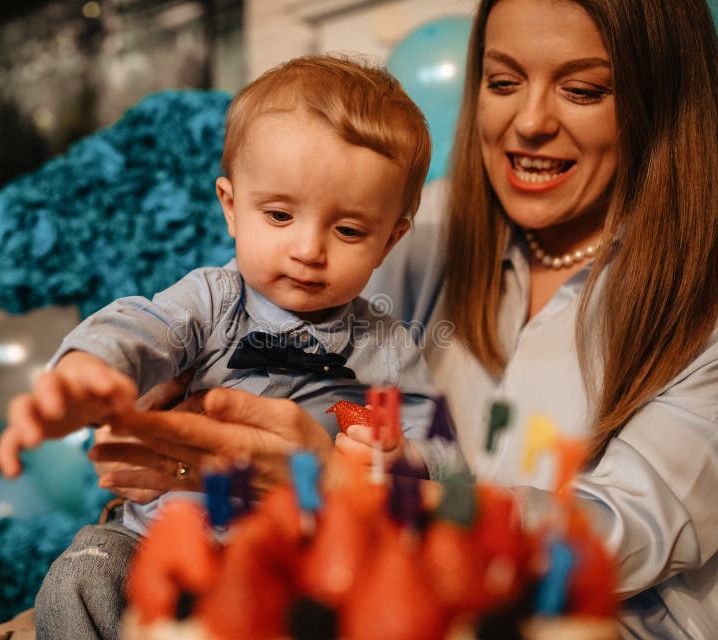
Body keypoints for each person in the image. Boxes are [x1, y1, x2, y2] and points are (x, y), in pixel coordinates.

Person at [88, 0, 718, 638]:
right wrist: (173, 417)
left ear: (661, 100)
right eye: (502, 82)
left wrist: (362, 488)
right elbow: (279, 345)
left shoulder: (697, 301)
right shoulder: (399, 234)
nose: (529, 121)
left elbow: (626, 534)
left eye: (582, 90)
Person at [0, 54, 451, 639]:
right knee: (83, 572)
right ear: (231, 208)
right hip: (158, 537)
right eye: (280, 214)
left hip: (295, 559)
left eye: (348, 230)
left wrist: (404, 459)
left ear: (391, 239)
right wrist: (90, 368)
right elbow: (144, 327)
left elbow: (439, 446)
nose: (309, 249)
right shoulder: (213, 298)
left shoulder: (385, 345)